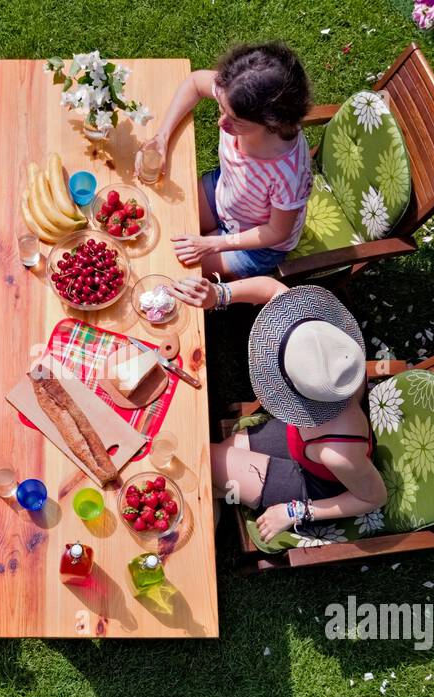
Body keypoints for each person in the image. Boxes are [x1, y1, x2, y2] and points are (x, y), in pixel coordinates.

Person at [173, 278, 387, 540]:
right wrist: (219, 294)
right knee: (223, 452)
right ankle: (214, 497)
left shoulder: (338, 453)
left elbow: (373, 497)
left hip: (316, 483)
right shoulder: (328, 350)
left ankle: (204, 517)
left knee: (205, 459)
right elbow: (274, 289)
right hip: (301, 440)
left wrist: (295, 511)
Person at [141, 42, 314, 279]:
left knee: (173, 266)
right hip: (226, 193)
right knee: (156, 221)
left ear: (271, 122)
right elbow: (194, 83)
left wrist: (214, 244)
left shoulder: (289, 173)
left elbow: (277, 232)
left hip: (258, 245)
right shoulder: (238, 92)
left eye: (234, 120)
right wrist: (162, 136)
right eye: (221, 109)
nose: (221, 123)